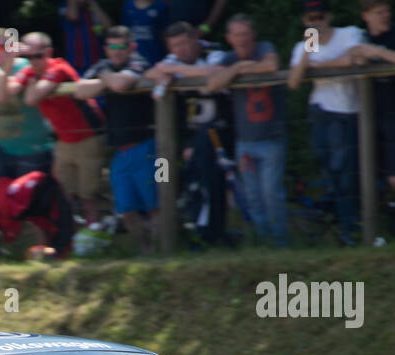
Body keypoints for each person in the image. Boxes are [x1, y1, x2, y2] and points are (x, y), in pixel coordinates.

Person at [207, 13, 289, 246]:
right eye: (236, 34)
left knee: (271, 193)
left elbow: (272, 64)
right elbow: (213, 83)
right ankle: (263, 243)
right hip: (245, 141)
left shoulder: (264, 47)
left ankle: (281, 245)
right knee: (253, 197)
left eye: (245, 33)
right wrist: (240, 66)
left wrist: (238, 69)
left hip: (271, 138)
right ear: (229, 38)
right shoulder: (229, 57)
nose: (241, 39)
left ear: (253, 34)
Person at [147, 22, 232, 245]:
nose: (181, 50)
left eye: (185, 42)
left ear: (195, 38)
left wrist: (176, 71)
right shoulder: (173, 60)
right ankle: (172, 230)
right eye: (175, 46)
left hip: (219, 132)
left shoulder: (213, 52)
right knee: (161, 169)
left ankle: (209, 232)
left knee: (207, 177)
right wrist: (169, 70)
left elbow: (213, 72)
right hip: (179, 137)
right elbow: (153, 71)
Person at [288, 0, 365, 245]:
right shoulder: (303, 46)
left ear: (329, 17)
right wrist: (309, 49)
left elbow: (352, 59)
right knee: (330, 171)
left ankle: (353, 229)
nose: (316, 22)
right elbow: (293, 82)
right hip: (321, 111)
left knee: (346, 176)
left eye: (320, 16)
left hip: (348, 112)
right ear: (305, 21)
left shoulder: (349, 33)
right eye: (311, 18)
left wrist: (320, 66)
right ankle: (345, 228)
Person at [79, 26, 158, 252]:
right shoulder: (104, 67)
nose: (117, 52)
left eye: (121, 46)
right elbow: (81, 90)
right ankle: (146, 250)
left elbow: (122, 84)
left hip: (149, 147)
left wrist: (103, 79)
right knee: (125, 208)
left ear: (131, 46)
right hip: (120, 152)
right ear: (106, 49)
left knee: (155, 204)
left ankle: (166, 249)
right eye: (112, 47)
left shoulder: (139, 62)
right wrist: (107, 79)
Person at [16, 31, 106, 226]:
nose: (33, 61)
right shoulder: (31, 72)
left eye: (38, 56)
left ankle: (95, 236)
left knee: (88, 194)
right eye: (28, 57)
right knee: (64, 192)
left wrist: (31, 84)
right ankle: (69, 237)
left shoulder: (59, 67)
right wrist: (10, 60)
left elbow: (32, 98)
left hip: (88, 137)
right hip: (64, 140)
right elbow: (8, 90)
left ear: (48, 52)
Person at [352, 0, 395, 235]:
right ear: (366, 15)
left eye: (388, 10)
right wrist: (358, 58)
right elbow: (343, 58)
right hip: (370, 114)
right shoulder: (359, 37)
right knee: (373, 174)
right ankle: (375, 230)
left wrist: (378, 52)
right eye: (379, 12)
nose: (385, 15)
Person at [0, 27, 53, 181]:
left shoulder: (27, 65)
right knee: (4, 202)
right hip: (4, 151)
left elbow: (5, 94)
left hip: (33, 150)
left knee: (32, 202)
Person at [60, 0, 114, 75]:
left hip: (97, 61)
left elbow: (108, 26)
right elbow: (73, 16)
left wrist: (93, 3)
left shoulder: (93, 7)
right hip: (75, 63)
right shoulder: (65, 6)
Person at [122, 0, 170, 64]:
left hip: (156, 56)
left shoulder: (160, 6)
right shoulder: (128, 6)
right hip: (134, 58)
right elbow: (124, 34)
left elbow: (165, 34)